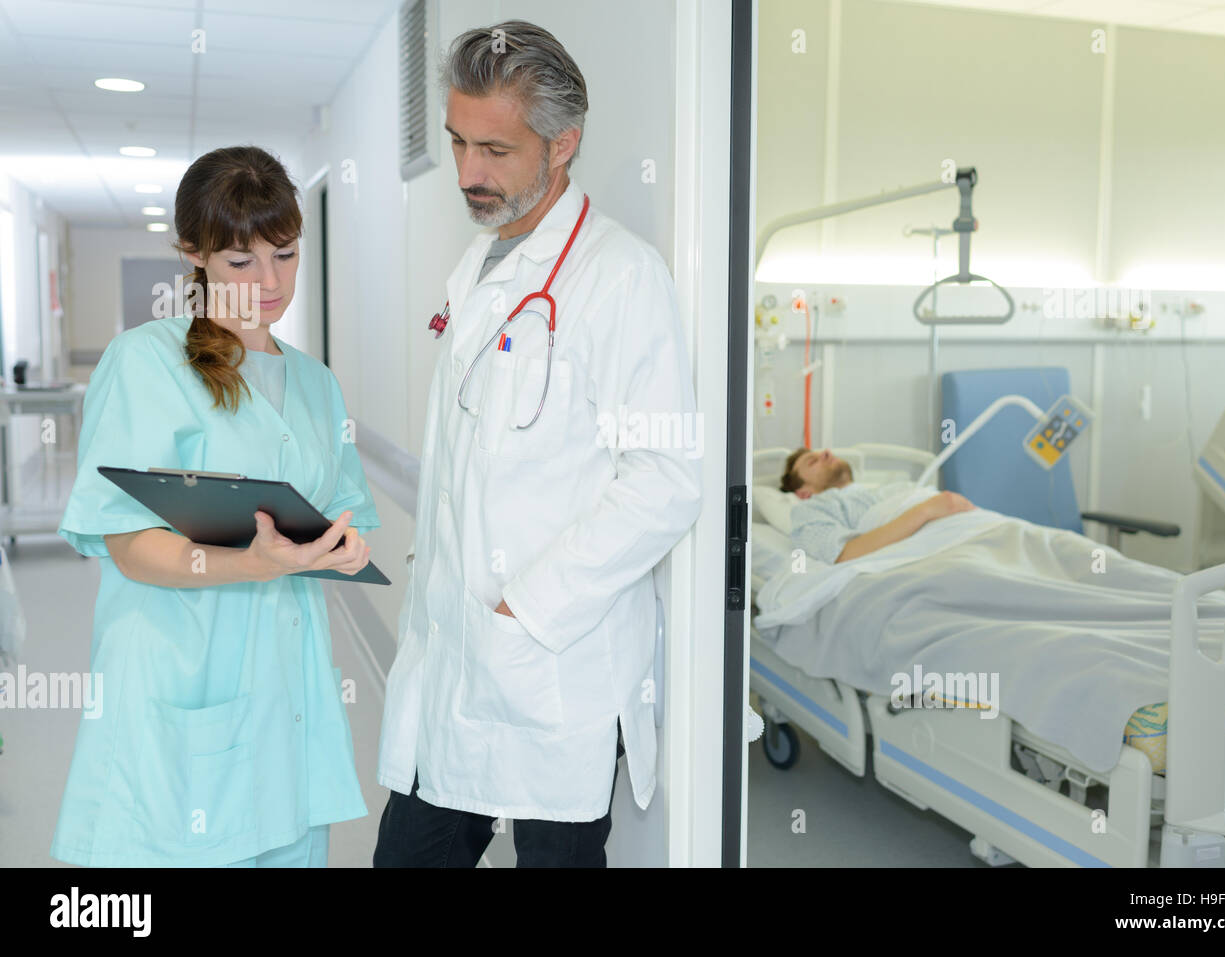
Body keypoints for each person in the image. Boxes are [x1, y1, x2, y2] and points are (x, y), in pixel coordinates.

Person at [373, 20, 702, 868]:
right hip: (455, 662)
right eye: (456, 143)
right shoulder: (481, 263)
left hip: (554, 673)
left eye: (495, 149)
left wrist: (527, 606)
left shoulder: (622, 277)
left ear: (564, 144)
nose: (468, 173)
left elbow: (666, 477)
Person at [52, 145, 379, 867]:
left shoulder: (318, 386)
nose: (269, 282)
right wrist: (253, 564)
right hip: (179, 680)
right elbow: (129, 544)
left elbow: (343, 512)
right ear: (193, 255)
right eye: (241, 262)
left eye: (286, 255)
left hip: (288, 700)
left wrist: (342, 549)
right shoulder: (144, 362)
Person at [780, 447, 974, 564]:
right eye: (813, 461)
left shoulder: (893, 490)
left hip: (971, 532)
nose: (827, 453)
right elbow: (844, 554)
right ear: (803, 492)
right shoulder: (810, 509)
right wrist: (926, 511)